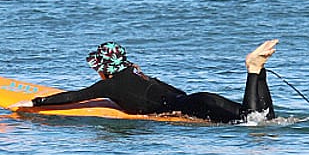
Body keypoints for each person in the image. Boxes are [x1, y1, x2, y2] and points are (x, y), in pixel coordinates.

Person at [14, 40, 278, 123]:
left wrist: (36, 102)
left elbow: (74, 96)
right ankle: (259, 70)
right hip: (198, 98)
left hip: (195, 105)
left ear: (103, 67)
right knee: (264, 118)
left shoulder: (109, 85)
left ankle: (253, 69)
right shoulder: (139, 74)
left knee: (251, 121)